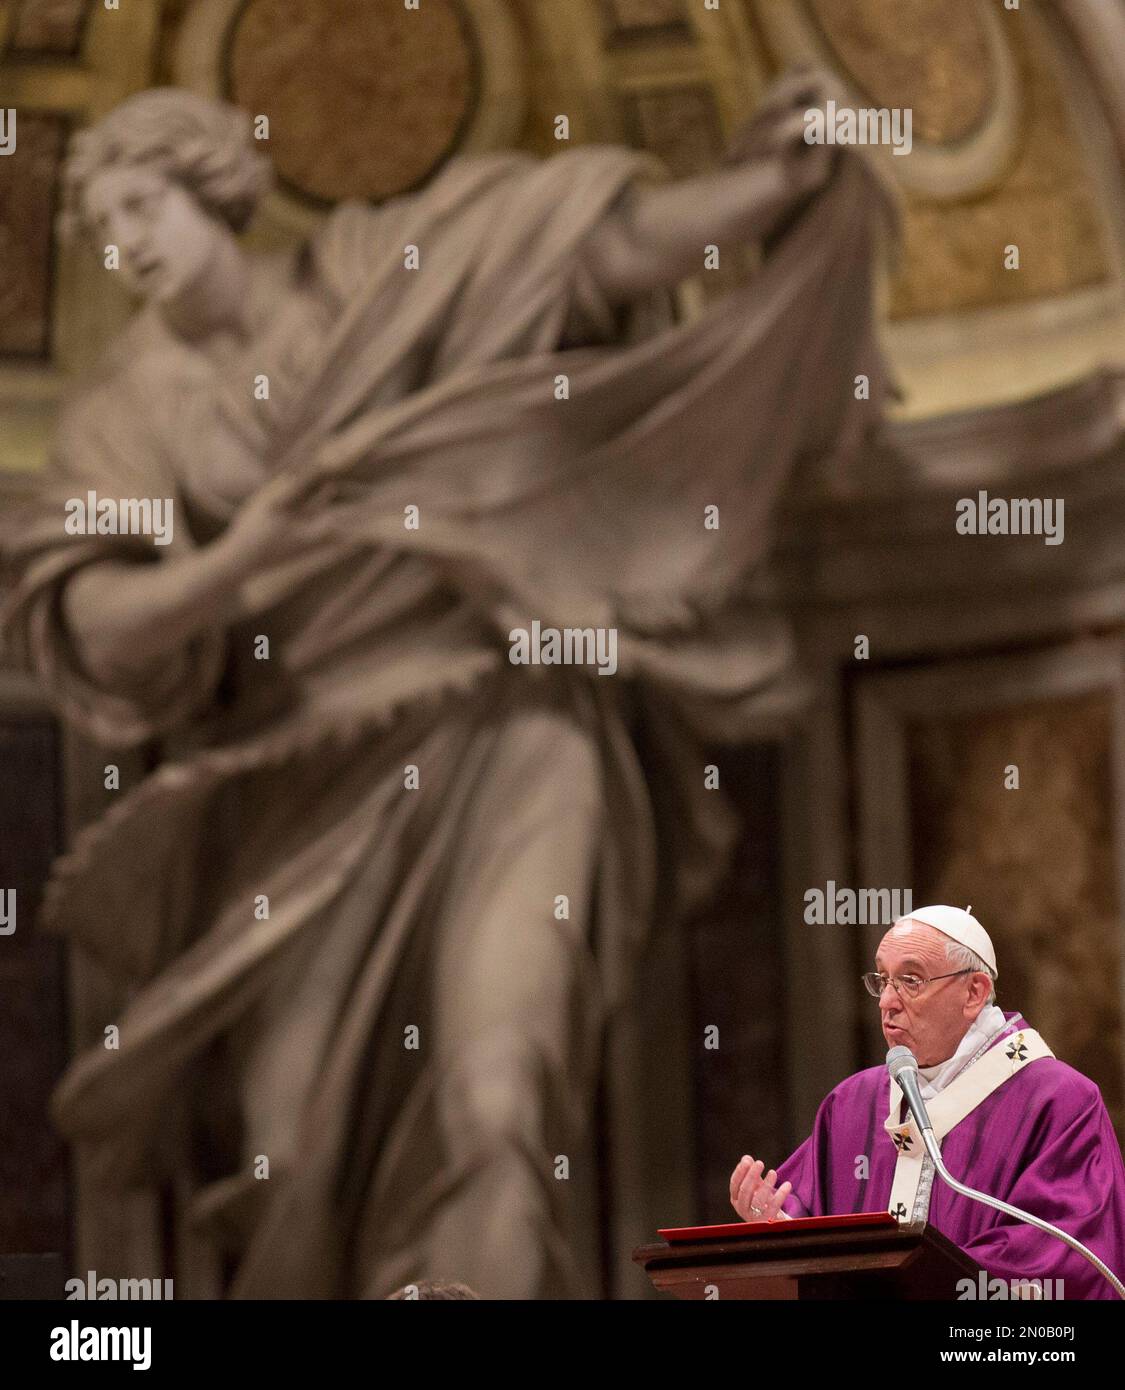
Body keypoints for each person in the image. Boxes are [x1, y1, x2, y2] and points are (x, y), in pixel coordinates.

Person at [3, 74, 894, 1299]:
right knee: (280, 1157)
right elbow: (93, 621)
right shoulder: (127, 412)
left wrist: (768, 187)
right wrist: (239, 562)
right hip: (298, 775)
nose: (127, 244)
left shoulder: (382, 271)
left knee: (498, 1096)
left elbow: (594, 250)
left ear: (212, 185)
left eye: (142, 205)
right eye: (103, 232)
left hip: (508, 720)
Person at [730, 906, 1125, 1299]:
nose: (887, 1001)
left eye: (910, 980)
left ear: (974, 992)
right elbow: (812, 1222)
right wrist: (776, 1223)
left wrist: (915, 1285)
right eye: (882, 980)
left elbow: (1065, 1257)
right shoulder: (854, 1103)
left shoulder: (1057, 1100)